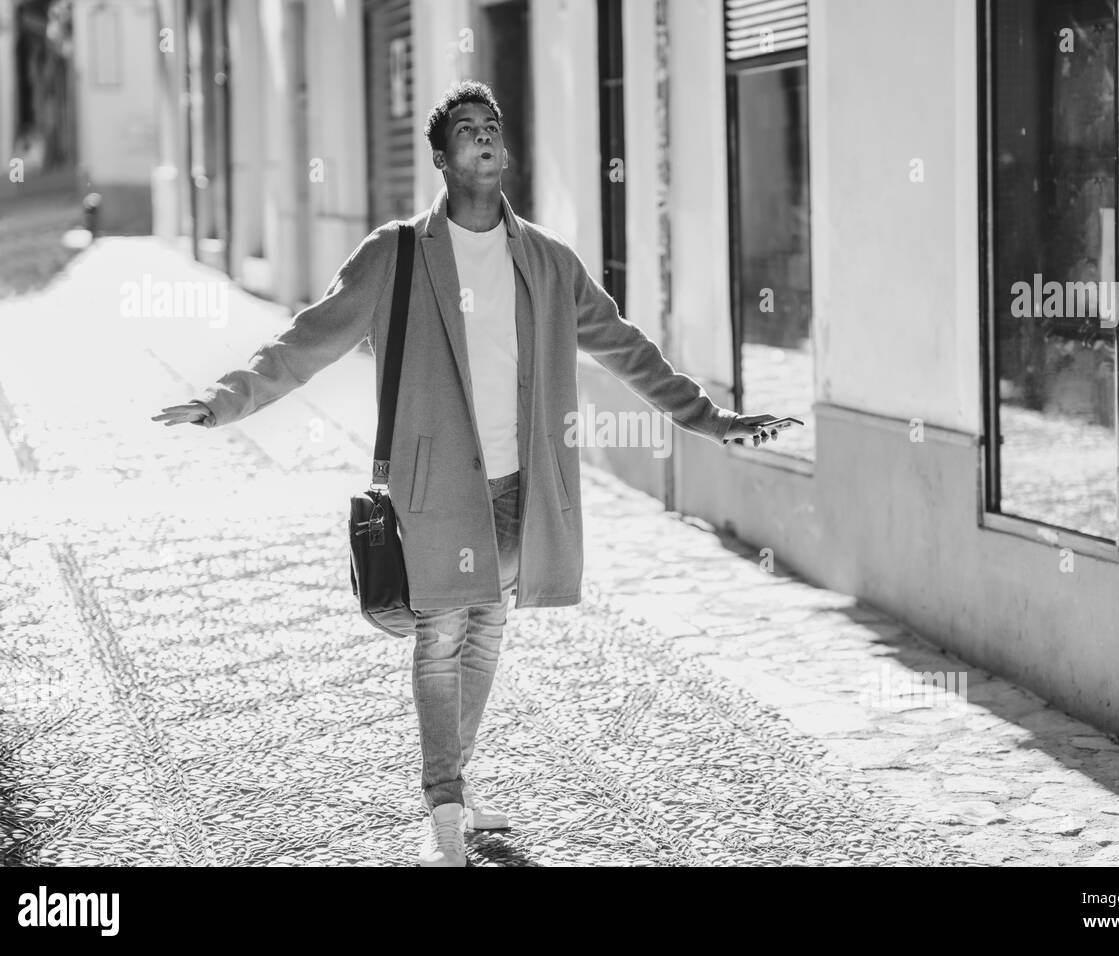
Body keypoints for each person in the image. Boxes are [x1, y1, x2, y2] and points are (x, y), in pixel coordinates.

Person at [153, 80, 787, 867]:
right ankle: (445, 807)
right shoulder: (395, 255)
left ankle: (450, 781)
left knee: (485, 631)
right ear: (441, 158)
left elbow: (626, 348)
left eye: (492, 127)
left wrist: (709, 418)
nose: (484, 138)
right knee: (442, 634)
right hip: (435, 487)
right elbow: (305, 342)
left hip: (525, 487)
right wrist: (222, 401)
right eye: (467, 130)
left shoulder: (548, 260)